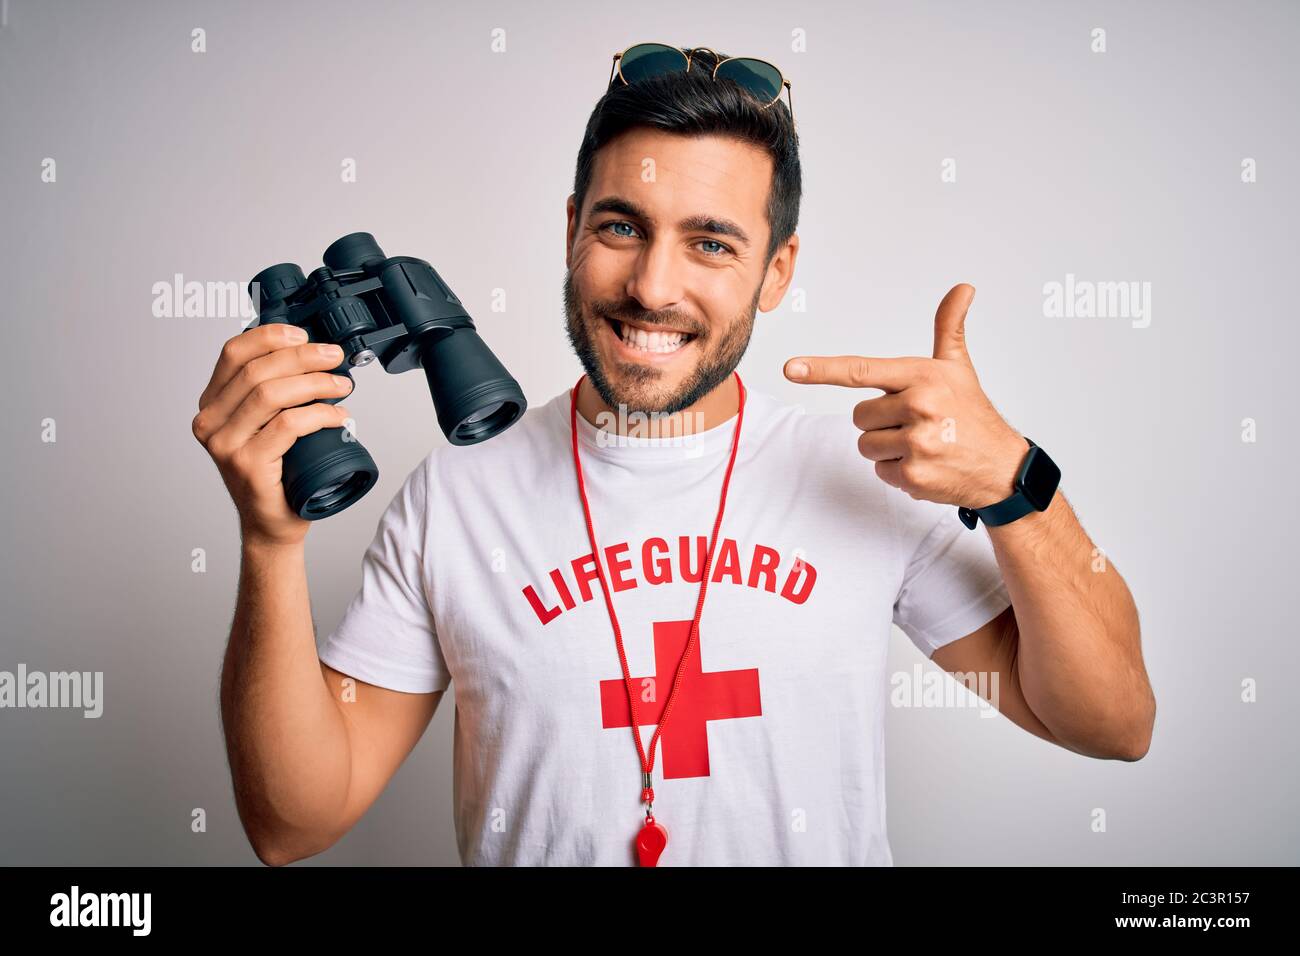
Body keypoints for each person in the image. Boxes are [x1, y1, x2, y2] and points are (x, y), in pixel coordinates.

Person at [192, 44, 1155, 867]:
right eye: (621, 226)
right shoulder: (456, 499)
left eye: (711, 244)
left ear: (777, 270)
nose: (653, 286)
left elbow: (1113, 723)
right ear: (571, 228)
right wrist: (269, 544)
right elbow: (292, 825)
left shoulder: (866, 475)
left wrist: (1018, 489)